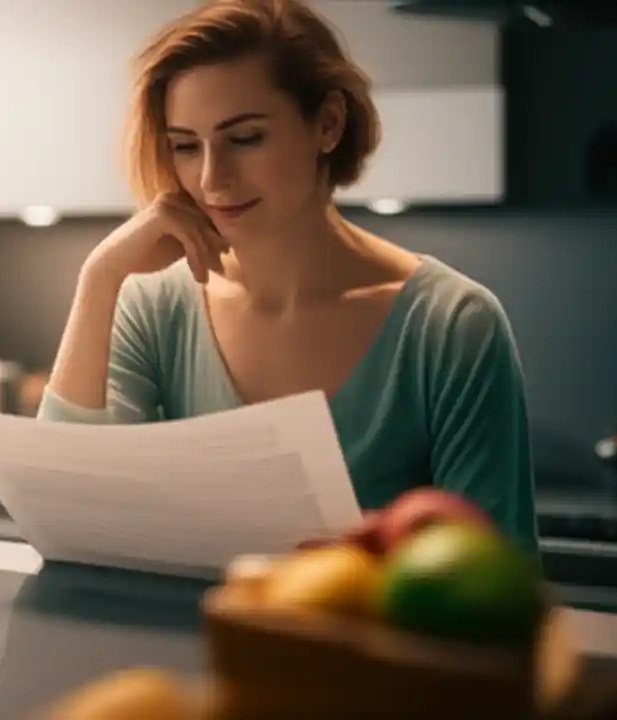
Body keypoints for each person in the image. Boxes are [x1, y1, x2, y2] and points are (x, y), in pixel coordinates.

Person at [38, 0, 538, 550]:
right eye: (185, 146)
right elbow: (71, 525)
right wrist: (99, 277)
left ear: (327, 123)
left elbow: (495, 587)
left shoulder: (452, 325)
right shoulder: (153, 309)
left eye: (245, 138)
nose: (212, 179)